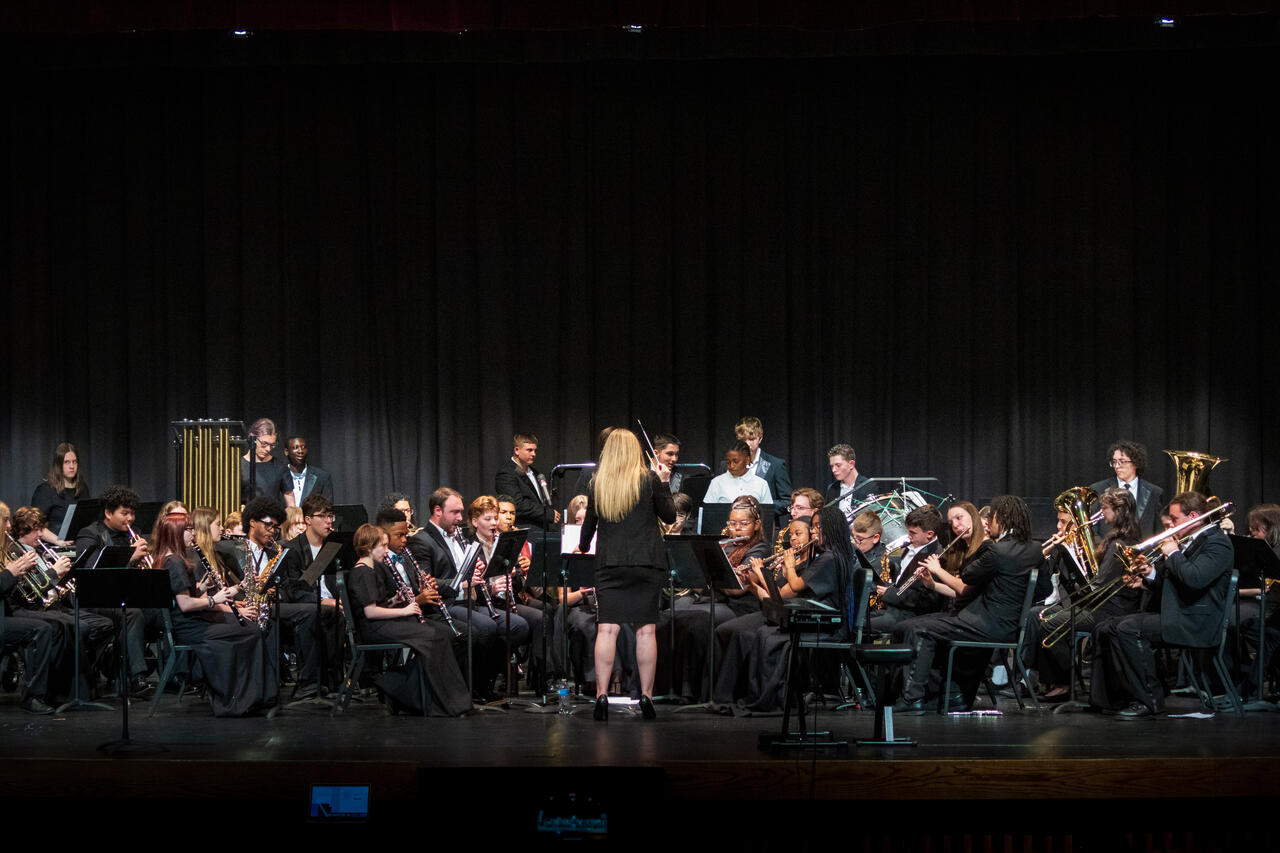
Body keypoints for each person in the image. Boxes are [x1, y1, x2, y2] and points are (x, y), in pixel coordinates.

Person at [893, 495, 1043, 714]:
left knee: (921, 629)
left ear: (1003, 519)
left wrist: (940, 569)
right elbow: (1044, 589)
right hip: (1008, 625)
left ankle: (911, 699)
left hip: (986, 625)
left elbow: (969, 576)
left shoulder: (995, 550)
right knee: (924, 625)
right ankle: (949, 696)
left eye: (992, 518)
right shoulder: (1035, 549)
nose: (989, 523)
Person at [1090, 491, 1233, 719]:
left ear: (1194, 516)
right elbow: (1174, 582)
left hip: (1196, 621)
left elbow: (1194, 579)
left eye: (1175, 520)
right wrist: (1148, 576)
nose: (1171, 526)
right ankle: (1115, 697)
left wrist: (1174, 553)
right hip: (1178, 613)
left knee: (1129, 629)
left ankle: (1150, 700)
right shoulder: (1192, 541)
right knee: (1107, 626)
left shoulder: (1217, 543)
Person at [715, 506, 854, 712]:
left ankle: (770, 698)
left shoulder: (829, 557)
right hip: (811, 616)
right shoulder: (828, 556)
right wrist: (753, 583)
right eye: (814, 527)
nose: (814, 532)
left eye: (817, 527)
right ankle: (747, 695)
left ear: (831, 528)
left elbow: (796, 586)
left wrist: (787, 565)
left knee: (767, 635)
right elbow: (777, 599)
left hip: (825, 625)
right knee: (760, 632)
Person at [578, 428, 675, 720]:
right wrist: (665, 483)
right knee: (646, 630)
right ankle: (646, 696)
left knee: (607, 629)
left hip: (610, 564)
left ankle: (602, 696)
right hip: (647, 563)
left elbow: (588, 529)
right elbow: (669, 516)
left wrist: (582, 546)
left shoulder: (599, 484)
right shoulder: (650, 480)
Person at [1028, 488, 1142, 701]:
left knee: (1051, 622)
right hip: (1102, 605)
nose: (1101, 512)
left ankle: (1063, 684)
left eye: (1105, 508)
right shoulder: (1115, 539)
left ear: (1118, 511)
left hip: (1109, 609)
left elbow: (1098, 584)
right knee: (1043, 617)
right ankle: (1047, 679)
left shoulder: (1120, 543)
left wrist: (1079, 572)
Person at [346, 523, 471, 716]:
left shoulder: (370, 569)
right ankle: (432, 700)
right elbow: (370, 612)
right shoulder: (362, 571)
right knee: (434, 636)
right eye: (384, 546)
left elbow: (378, 604)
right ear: (370, 547)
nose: (387, 550)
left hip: (382, 624)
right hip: (375, 629)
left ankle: (406, 688)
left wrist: (394, 600)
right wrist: (404, 610)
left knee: (442, 633)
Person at [156, 511, 274, 716]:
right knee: (249, 632)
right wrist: (213, 599)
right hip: (190, 628)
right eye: (188, 529)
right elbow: (184, 605)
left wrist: (204, 586)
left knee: (248, 629)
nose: (192, 533)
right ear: (176, 532)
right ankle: (243, 699)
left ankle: (252, 697)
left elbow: (191, 596)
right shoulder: (173, 562)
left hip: (194, 622)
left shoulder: (176, 559)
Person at [73, 484, 158, 696]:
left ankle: (177, 676)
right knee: (133, 614)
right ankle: (137, 677)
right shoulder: (90, 534)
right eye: (124, 513)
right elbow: (92, 572)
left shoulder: (134, 534)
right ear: (108, 513)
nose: (130, 518)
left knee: (163, 611)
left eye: (132, 513)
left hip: (125, 595)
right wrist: (130, 558)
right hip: (96, 600)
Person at [1090, 440, 1165, 536]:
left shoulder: (1154, 492)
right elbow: (1092, 528)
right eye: (1114, 462)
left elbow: (1158, 530)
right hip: (1108, 548)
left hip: (1142, 550)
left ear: (1136, 463)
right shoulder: (1098, 489)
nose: (1117, 466)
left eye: (1122, 461)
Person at [495, 433, 560, 531]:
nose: (534, 454)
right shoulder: (506, 473)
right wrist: (546, 513)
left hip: (542, 528)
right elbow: (517, 504)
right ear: (517, 450)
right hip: (524, 528)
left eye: (534, 450)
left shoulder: (536, 473)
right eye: (529, 450)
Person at [735, 416, 792, 519]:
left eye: (752, 439)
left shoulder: (776, 465)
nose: (747, 443)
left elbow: (787, 502)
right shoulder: (726, 465)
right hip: (735, 527)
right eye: (744, 440)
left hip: (765, 528)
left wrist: (761, 507)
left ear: (760, 438)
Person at [31, 442, 89, 543]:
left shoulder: (82, 488)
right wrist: (58, 541)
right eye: (66, 462)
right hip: (55, 548)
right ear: (58, 464)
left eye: (74, 462)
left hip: (78, 544)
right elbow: (35, 524)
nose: (72, 466)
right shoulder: (45, 490)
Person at [702, 441, 773, 506]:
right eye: (728, 462)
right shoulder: (717, 483)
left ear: (747, 460)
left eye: (735, 461)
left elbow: (767, 515)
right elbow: (708, 514)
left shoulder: (761, 484)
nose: (731, 466)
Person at [280, 436, 335, 507]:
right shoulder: (278, 476)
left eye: (303, 447)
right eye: (296, 448)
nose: (300, 451)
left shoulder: (322, 477)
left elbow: (328, 507)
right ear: (286, 452)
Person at [240, 417, 283, 502]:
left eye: (272, 445)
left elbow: (290, 500)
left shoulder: (279, 466)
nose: (268, 449)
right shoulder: (237, 466)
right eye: (264, 444)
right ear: (252, 438)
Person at [823, 443, 874, 516]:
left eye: (838, 465)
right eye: (832, 466)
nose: (833, 470)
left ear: (851, 464)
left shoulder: (868, 486)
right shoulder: (832, 489)